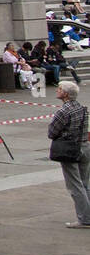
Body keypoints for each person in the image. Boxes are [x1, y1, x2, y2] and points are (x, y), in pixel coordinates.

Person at [49, 81, 90, 228]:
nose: (57, 90)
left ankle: (85, 219)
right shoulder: (82, 108)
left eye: (59, 89)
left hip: (69, 149)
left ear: (65, 94)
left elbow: (52, 132)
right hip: (85, 146)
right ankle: (87, 215)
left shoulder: (63, 111)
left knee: (75, 185)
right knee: (85, 184)